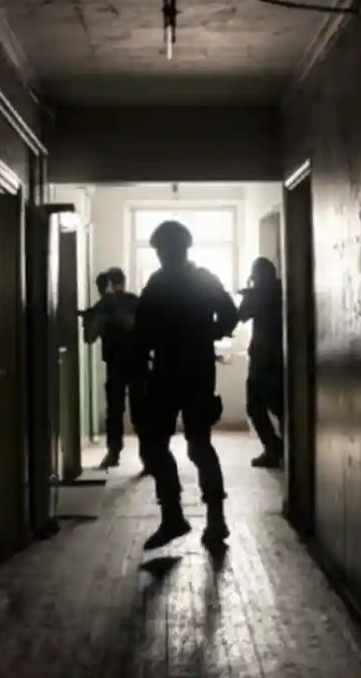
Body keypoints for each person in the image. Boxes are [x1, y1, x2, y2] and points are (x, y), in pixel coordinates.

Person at [134, 220, 238, 549]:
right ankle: (207, 520)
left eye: (164, 249)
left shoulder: (160, 282)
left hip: (170, 371)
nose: (163, 255)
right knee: (196, 444)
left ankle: (179, 517)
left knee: (167, 444)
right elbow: (230, 315)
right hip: (193, 371)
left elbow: (142, 328)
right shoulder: (200, 280)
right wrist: (207, 335)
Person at [80, 268, 146, 470]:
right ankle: (114, 453)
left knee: (141, 412)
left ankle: (148, 457)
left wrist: (112, 314)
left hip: (137, 363)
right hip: (116, 365)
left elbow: (137, 326)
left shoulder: (133, 302)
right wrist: (92, 320)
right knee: (115, 412)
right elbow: (89, 339)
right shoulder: (103, 305)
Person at [238, 257, 285, 468]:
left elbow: (241, 315)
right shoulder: (282, 291)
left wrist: (248, 292)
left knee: (256, 407)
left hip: (262, 359)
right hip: (280, 358)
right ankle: (281, 449)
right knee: (279, 406)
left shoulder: (258, 295)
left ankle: (273, 449)